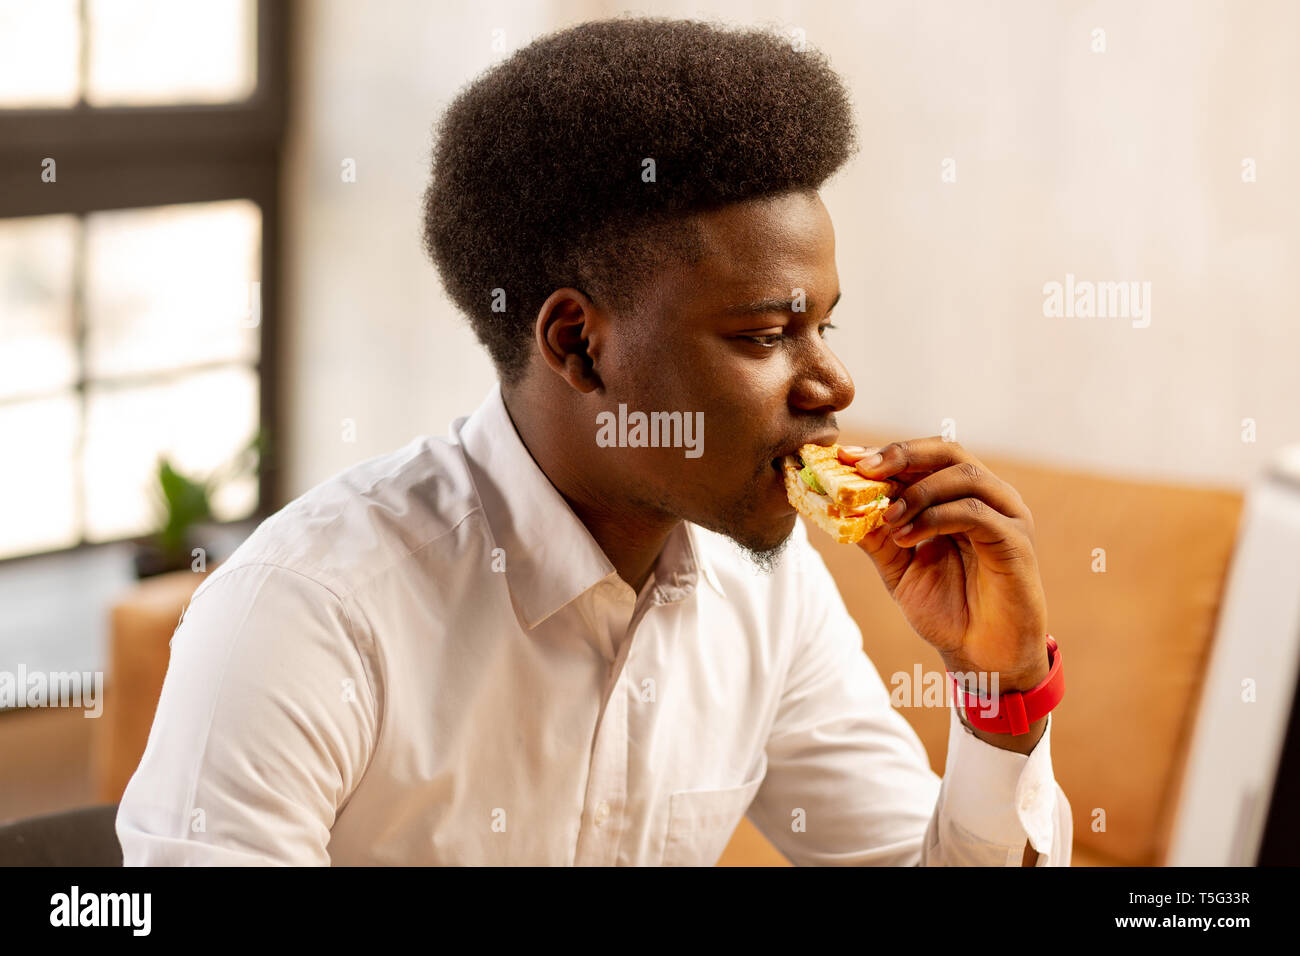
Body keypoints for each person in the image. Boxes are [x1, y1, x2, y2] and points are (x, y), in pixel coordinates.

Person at [117, 16, 1071, 866]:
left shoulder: (771, 595)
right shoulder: (309, 616)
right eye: (765, 336)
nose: (834, 385)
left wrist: (1004, 689)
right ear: (579, 344)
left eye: (825, 325)